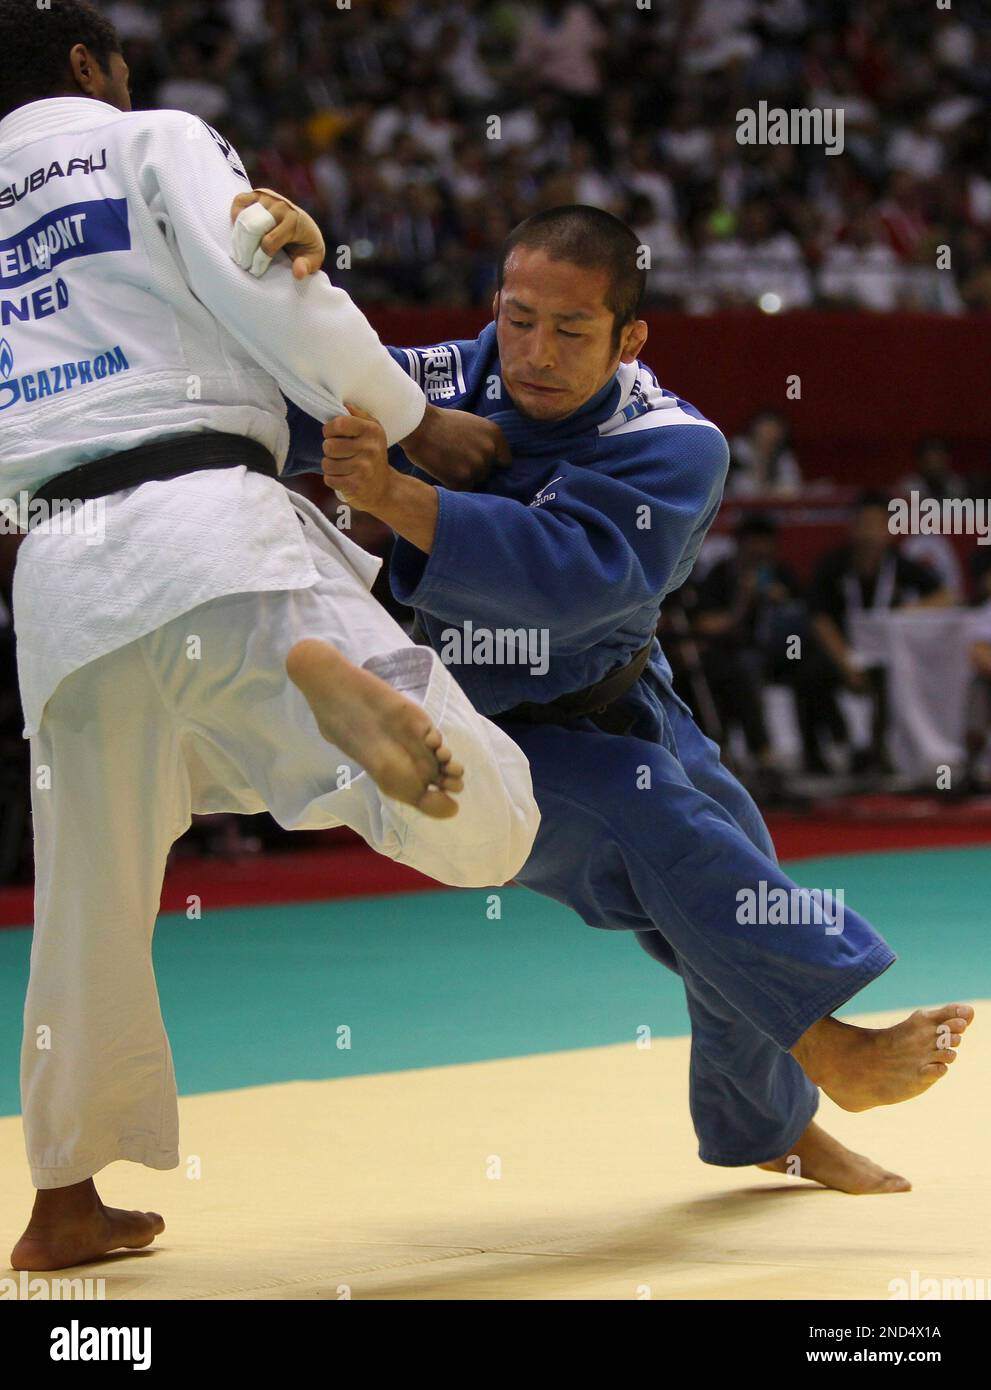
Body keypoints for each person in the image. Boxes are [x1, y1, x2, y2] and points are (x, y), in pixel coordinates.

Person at [240, 198, 975, 1199]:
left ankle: (768, 1124)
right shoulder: (443, 384)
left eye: (571, 330)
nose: (534, 351)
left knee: (733, 860)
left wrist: (395, 497)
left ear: (630, 337)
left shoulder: (675, 445)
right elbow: (275, 395)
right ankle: (828, 1045)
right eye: (519, 319)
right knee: (650, 820)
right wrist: (276, 270)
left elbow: (569, 580)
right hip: (468, 729)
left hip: (625, 696)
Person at [1, 0, 539, 1272]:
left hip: (60, 583)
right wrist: (414, 421)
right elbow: (275, 289)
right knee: (494, 816)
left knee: (88, 899)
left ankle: (62, 1200)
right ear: (90, 65)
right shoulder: (148, 144)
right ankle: (383, 736)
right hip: (213, 534)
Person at [805, 492, 953, 774]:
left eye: (877, 524)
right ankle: (824, 751)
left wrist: (907, 611)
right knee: (808, 670)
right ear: (852, 528)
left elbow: (946, 596)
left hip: (884, 656)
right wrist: (845, 661)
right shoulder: (834, 565)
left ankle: (879, 753)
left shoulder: (899, 564)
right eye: (863, 524)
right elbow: (819, 619)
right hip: (842, 652)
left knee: (895, 673)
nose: (869, 532)